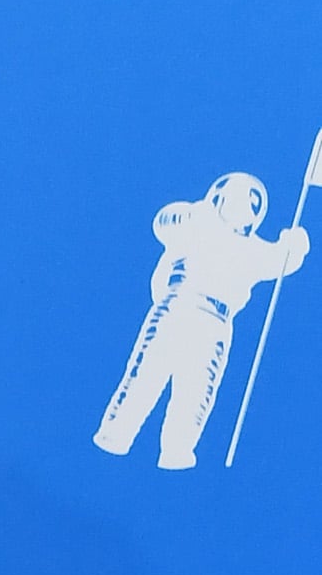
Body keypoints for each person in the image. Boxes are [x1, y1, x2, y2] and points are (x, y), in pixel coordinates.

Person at [94, 171, 307, 472]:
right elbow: (163, 222)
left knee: (196, 391)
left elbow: (280, 260)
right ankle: (115, 435)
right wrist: (196, 214)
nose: (243, 205)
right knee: (147, 374)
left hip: (216, 322)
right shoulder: (196, 222)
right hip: (178, 305)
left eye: (250, 201)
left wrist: (294, 245)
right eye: (236, 197)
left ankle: (176, 451)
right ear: (219, 197)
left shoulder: (252, 249)